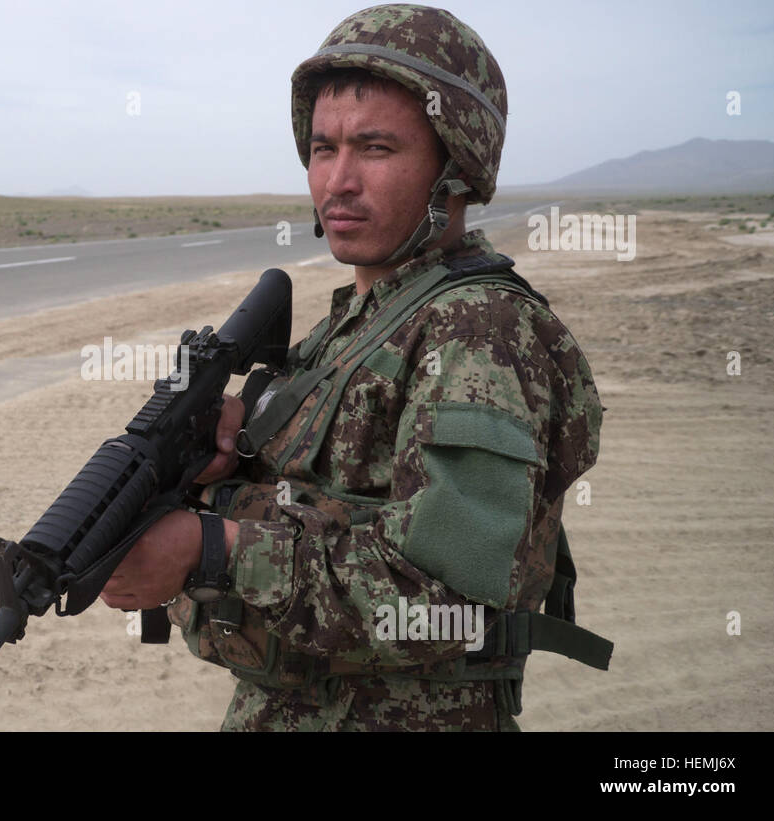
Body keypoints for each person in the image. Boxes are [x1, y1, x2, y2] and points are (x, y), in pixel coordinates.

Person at [99, 3, 609, 731]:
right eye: (322, 147)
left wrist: (213, 549)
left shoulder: (479, 330)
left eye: (375, 149)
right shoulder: (365, 318)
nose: (337, 180)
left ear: (456, 168)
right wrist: (233, 463)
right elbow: (330, 502)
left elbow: (445, 603)